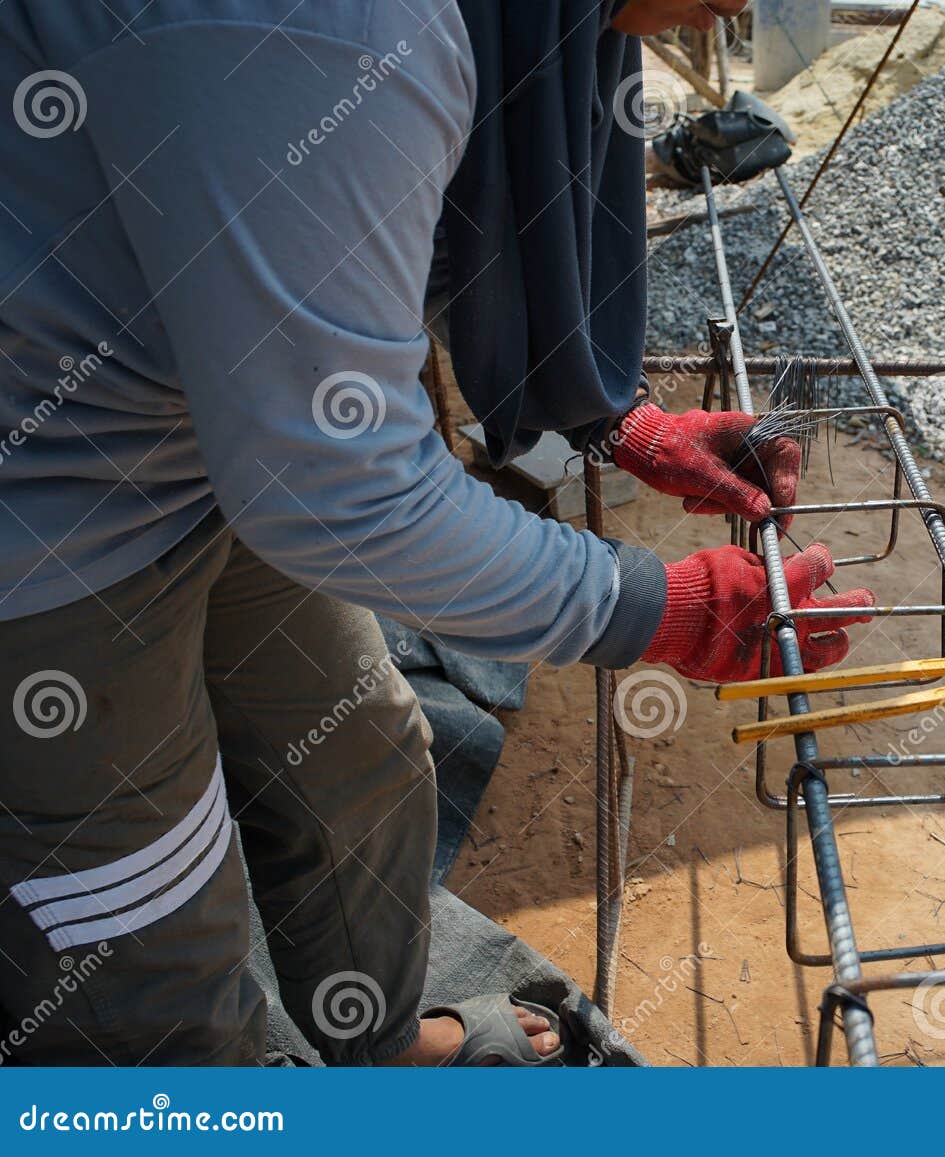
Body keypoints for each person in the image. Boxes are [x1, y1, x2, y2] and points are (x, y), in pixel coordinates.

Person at [0, 0, 867, 1066]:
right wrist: (659, 607)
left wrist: (615, 420)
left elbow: (370, 239)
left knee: (357, 756)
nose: (740, 7)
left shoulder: (466, 26)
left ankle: (377, 1039)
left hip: (203, 424)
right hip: (45, 504)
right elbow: (346, 495)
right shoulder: (337, 31)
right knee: (139, 925)